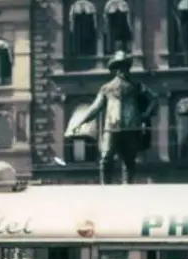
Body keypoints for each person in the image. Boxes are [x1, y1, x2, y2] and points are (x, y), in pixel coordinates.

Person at [63, 50, 158, 185]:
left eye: (125, 66)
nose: (122, 70)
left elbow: (154, 99)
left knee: (129, 159)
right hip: (111, 128)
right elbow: (95, 108)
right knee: (106, 156)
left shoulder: (136, 86)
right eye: (119, 67)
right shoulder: (106, 88)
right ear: (114, 70)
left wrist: (145, 115)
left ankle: (128, 186)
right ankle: (106, 187)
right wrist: (80, 123)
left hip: (131, 128)